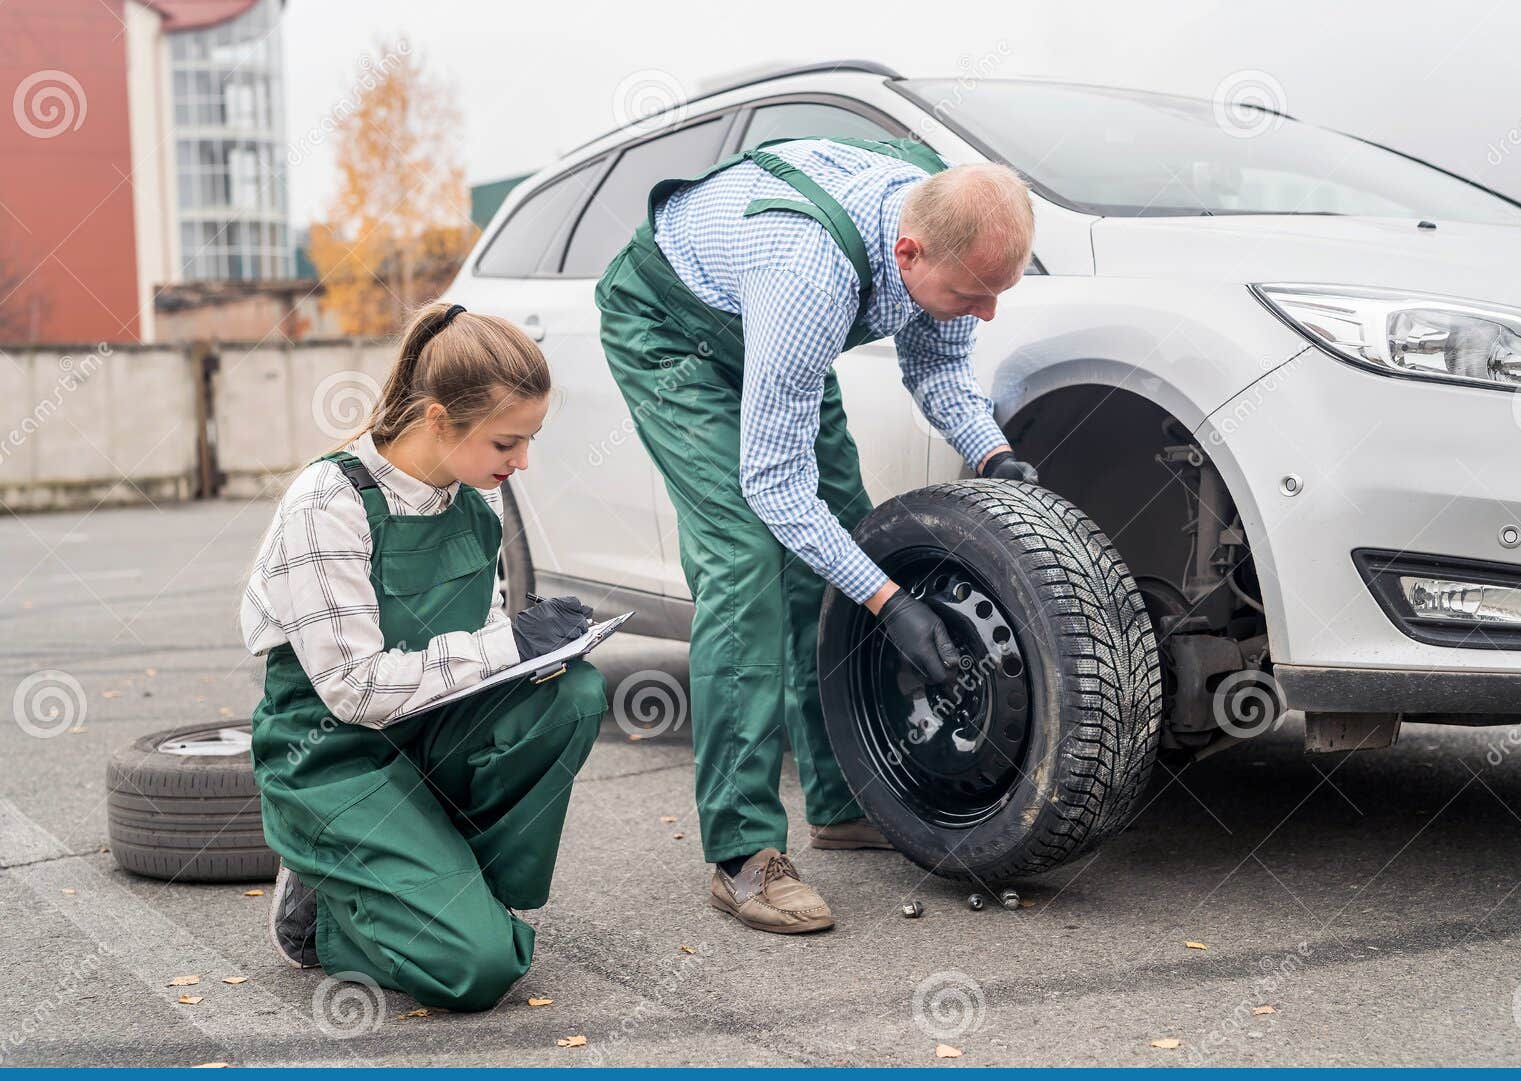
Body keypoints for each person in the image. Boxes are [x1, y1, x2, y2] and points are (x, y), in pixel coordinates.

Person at [594, 135, 1039, 935]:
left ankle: (843, 799)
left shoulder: (936, 217)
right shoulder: (807, 274)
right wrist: (889, 600)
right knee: (747, 559)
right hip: (672, 331)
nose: (988, 312)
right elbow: (773, 486)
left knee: (841, 538)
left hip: (765, 324)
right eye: (976, 293)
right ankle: (742, 854)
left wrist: (995, 454)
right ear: (907, 252)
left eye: (999, 292)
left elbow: (937, 368)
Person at [240, 301, 608, 1012]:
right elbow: (350, 689)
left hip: (429, 735)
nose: (522, 462)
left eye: (528, 441)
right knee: (478, 970)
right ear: (439, 418)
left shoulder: (475, 504)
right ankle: (322, 916)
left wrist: (544, 651)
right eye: (507, 443)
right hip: (331, 758)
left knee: (575, 693)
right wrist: (509, 643)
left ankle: (448, 885)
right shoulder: (328, 502)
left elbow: (480, 650)